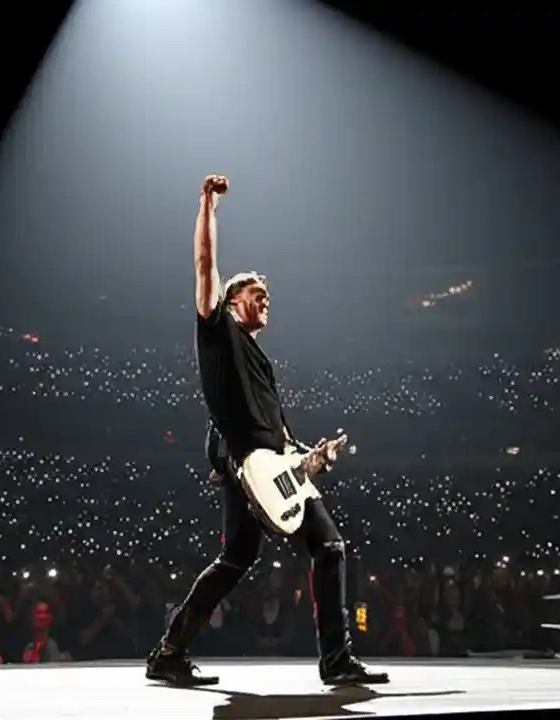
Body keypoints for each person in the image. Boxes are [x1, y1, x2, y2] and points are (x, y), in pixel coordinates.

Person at [145, 174, 387, 686]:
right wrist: (207, 207)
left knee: (236, 557)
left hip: (263, 466)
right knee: (329, 547)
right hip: (242, 462)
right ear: (232, 299)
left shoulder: (263, 363)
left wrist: (311, 456)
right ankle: (336, 660)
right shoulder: (217, 329)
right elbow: (204, 264)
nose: (267, 300)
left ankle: (168, 653)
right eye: (259, 293)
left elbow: (279, 440)